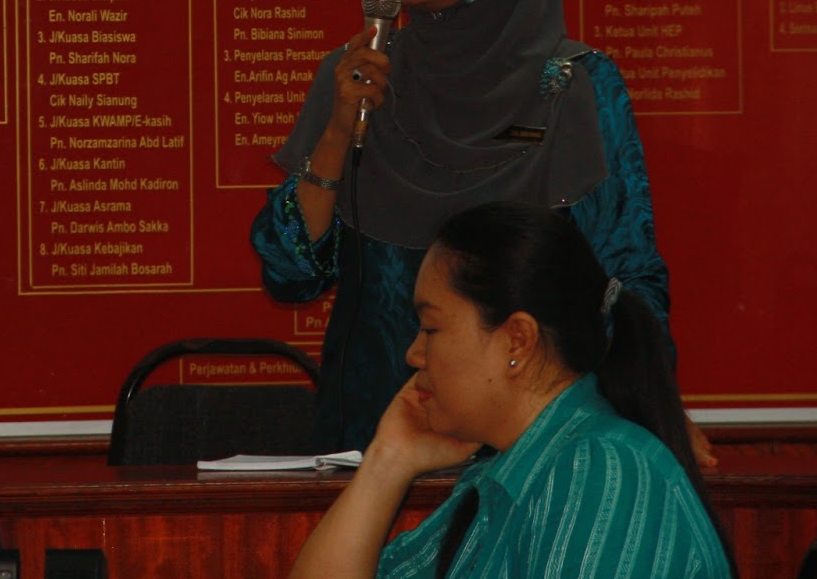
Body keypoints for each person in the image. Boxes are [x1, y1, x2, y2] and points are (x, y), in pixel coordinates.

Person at [251, 0, 683, 456]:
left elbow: (628, 282)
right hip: (373, 439)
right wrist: (339, 129)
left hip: (531, 451)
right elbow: (290, 276)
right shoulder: (357, 76)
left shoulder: (572, 87)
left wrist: (643, 408)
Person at [286, 202, 735, 579]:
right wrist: (387, 463)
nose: (414, 354)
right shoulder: (497, 478)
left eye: (430, 328)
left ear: (516, 340)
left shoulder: (602, 470)